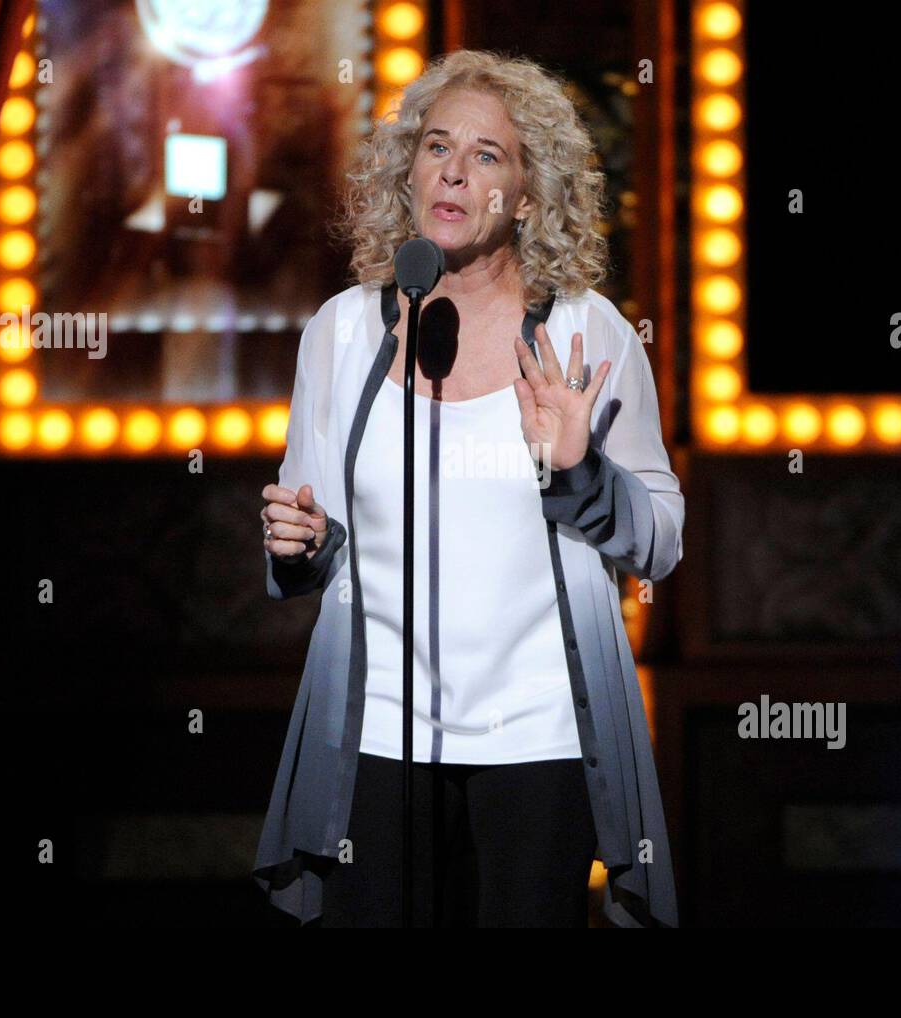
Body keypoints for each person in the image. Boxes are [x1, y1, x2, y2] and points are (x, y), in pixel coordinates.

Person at [254, 49, 684, 927]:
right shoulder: (341, 333)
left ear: (529, 196)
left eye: (487, 155)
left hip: (541, 737)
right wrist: (299, 542)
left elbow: (661, 541)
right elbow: (310, 535)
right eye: (436, 146)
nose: (452, 170)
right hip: (374, 734)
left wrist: (581, 469)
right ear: (406, 170)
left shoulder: (586, 332)